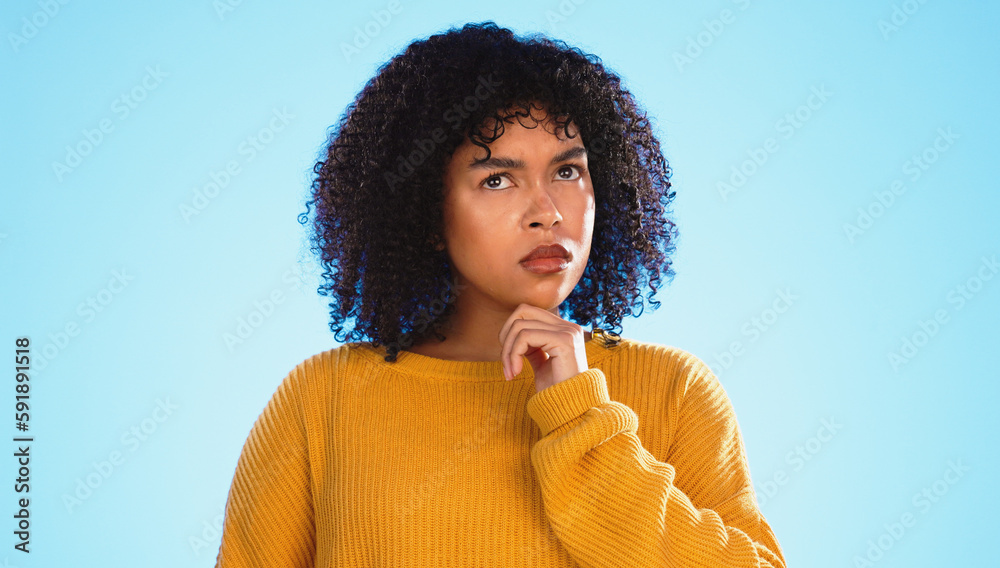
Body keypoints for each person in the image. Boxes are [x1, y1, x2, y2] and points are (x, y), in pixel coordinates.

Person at [214, 21, 786, 567]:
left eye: (568, 172)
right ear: (426, 214)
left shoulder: (674, 392)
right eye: (497, 179)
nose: (548, 213)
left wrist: (580, 418)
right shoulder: (322, 402)